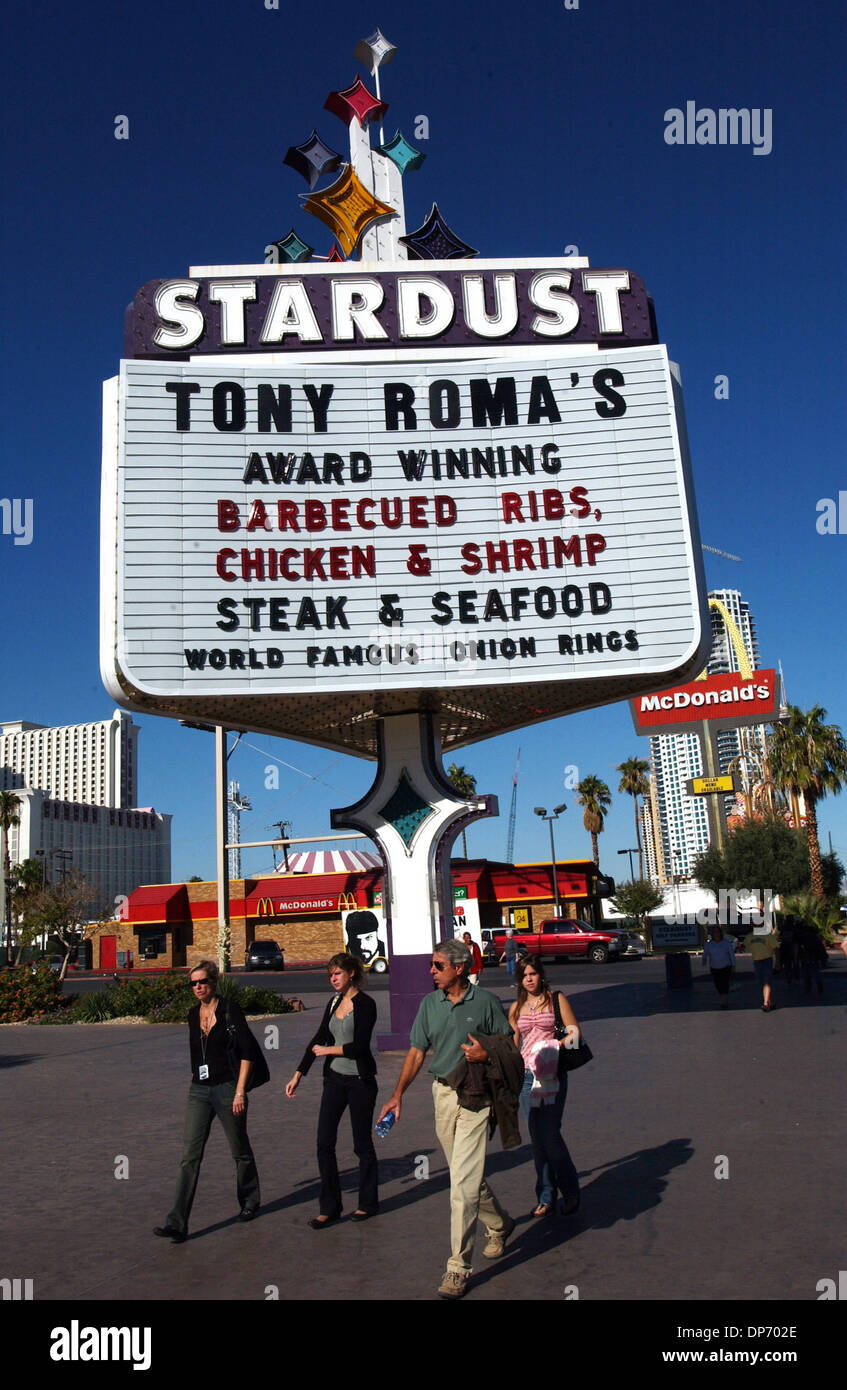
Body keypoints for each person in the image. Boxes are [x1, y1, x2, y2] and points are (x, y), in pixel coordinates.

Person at [377, 938, 516, 1300]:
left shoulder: (485, 1003)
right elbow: (416, 1051)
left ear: (459, 968)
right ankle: (500, 1223)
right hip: (442, 1094)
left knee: (462, 1187)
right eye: (431, 965)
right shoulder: (429, 1004)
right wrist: (397, 1095)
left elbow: (508, 1045)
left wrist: (486, 1052)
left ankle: (458, 1267)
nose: (431, 972)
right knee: (462, 1175)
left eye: (437, 966)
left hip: (476, 1097)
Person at [154, 960, 260, 1243]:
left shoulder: (229, 1010)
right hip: (199, 1090)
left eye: (202, 982)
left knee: (239, 1148)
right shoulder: (192, 1014)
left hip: (227, 1088)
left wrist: (240, 1092)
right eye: (193, 983)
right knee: (190, 1155)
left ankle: (249, 1200)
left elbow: (247, 1052)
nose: (197, 987)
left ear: (213, 982)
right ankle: (177, 1222)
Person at [286, 953, 379, 1225]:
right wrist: (298, 1074)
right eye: (330, 975)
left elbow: (360, 1046)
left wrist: (328, 1050)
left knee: (362, 1144)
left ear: (351, 973)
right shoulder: (333, 1002)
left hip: (360, 1081)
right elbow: (318, 1038)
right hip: (335, 1080)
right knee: (324, 1142)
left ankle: (368, 1203)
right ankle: (330, 1206)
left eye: (337, 973)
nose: (333, 979)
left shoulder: (366, 1004)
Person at [508, 956, 581, 1218]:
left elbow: (574, 1033)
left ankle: (570, 1189)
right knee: (537, 1138)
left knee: (550, 1132)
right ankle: (546, 1195)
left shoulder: (556, 999)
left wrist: (554, 1046)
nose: (529, 979)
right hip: (528, 1077)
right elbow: (513, 1046)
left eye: (533, 974)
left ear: (541, 975)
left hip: (553, 1074)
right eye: (524, 975)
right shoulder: (516, 1007)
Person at [743, 925, 780, 1011]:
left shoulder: (767, 935)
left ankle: (766, 1003)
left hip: (767, 960)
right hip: (757, 961)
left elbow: (776, 948)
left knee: (767, 981)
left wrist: (778, 962)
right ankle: (769, 1002)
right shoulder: (750, 936)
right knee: (761, 982)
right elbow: (745, 945)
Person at [701, 925, 736, 1008]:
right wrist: (704, 960)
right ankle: (722, 999)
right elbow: (705, 954)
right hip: (714, 967)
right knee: (718, 985)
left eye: (718, 932)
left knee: (725, 984)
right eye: (714, 932)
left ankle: (724, 1002)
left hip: (726, 966)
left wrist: (733, 965)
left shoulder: (726, 943)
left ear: (721, 933)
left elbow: (731, 955)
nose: (716, 934)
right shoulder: (709, 944)